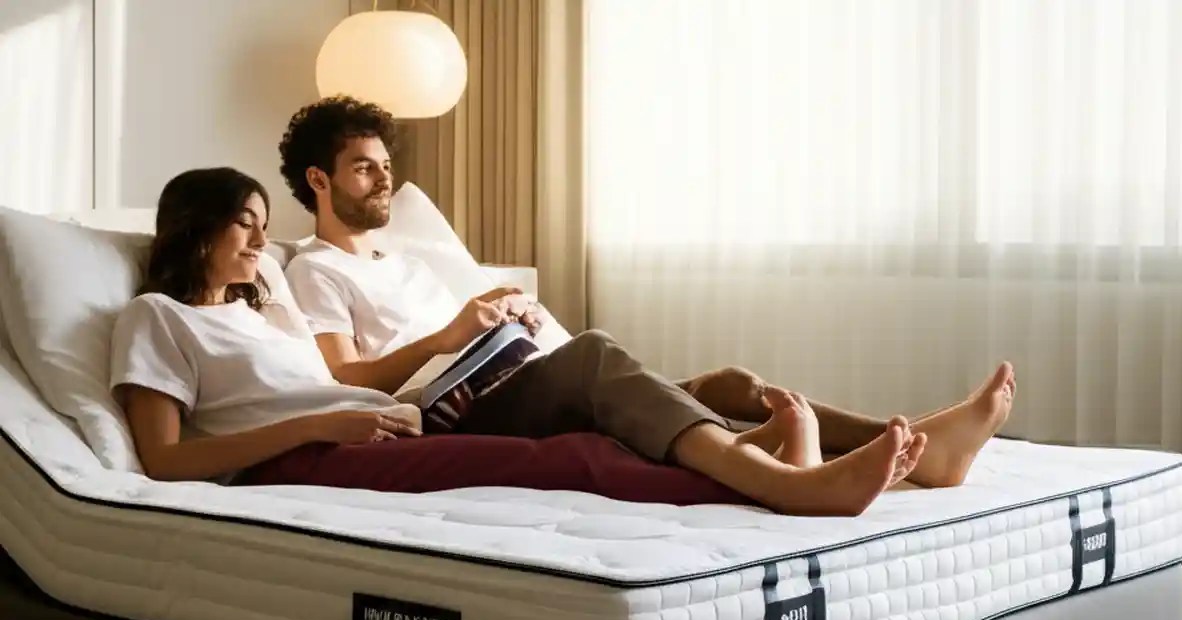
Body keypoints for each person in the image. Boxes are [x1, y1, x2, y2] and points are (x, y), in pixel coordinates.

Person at [278, 96, 1015, 490]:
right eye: (365, 169)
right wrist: (448, 337)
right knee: (596, 354)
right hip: (452, 412)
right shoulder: (314, 268)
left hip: (506, 374)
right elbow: (344, 376)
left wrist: (503, 314)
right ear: (320, 180)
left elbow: (461, 329)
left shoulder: (400, 259)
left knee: (729, 383)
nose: (383, 180)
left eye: (383, 166)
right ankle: (775, 477)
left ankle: (918, 445)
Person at [109, 167, 926, 516]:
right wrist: (324, 425)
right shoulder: (157, 318)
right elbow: (164, 459)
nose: (260, 244)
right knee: (563, 457)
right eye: (244, 227)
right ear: (195, 225)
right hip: (308, 457)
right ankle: (778, 479)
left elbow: (340, 382)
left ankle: (769, 461)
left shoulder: (261, 306)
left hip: (390, 419)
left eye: (263, 227)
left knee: (595, 390)